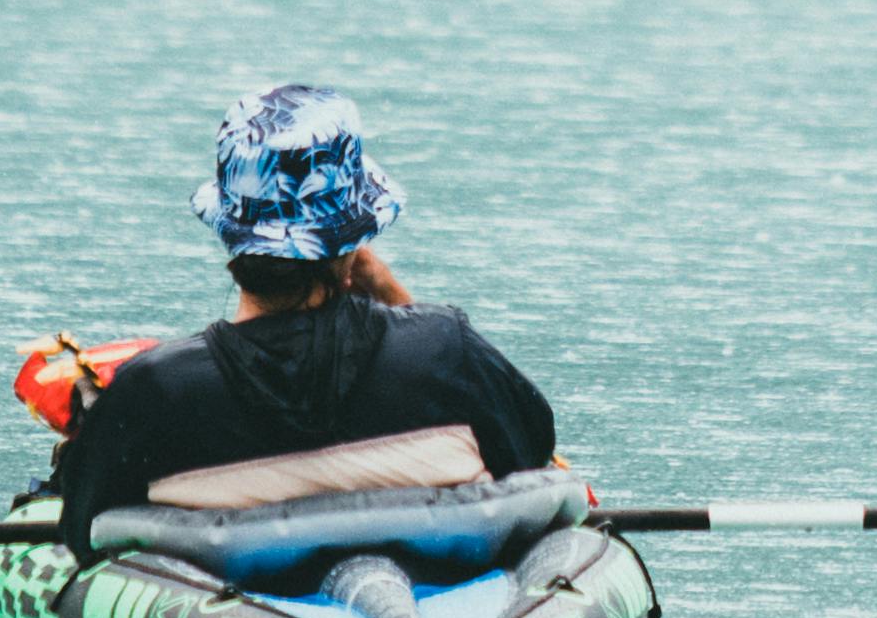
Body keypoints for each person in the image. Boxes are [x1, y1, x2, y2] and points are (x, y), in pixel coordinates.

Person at [53, 82, 558, 558]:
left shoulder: (156, 390)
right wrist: (389, 292)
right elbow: (529, 451)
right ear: (353, 244)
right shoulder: (446, 349)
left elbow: (81, 530)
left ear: (230, 235)